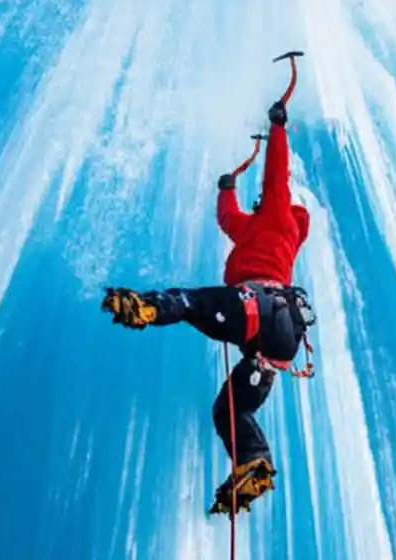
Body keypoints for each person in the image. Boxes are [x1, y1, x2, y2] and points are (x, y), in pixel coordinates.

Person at [102, 98, 313, 516]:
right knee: (231, 410)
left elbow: (276, 179)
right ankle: (254, 462)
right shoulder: (263, 231)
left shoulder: (279, 215)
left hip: (257, 306)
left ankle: (143, 308)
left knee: (191, 302)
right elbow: (229, 219)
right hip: (279, 338)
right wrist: (226, 189)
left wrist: (278, 127)